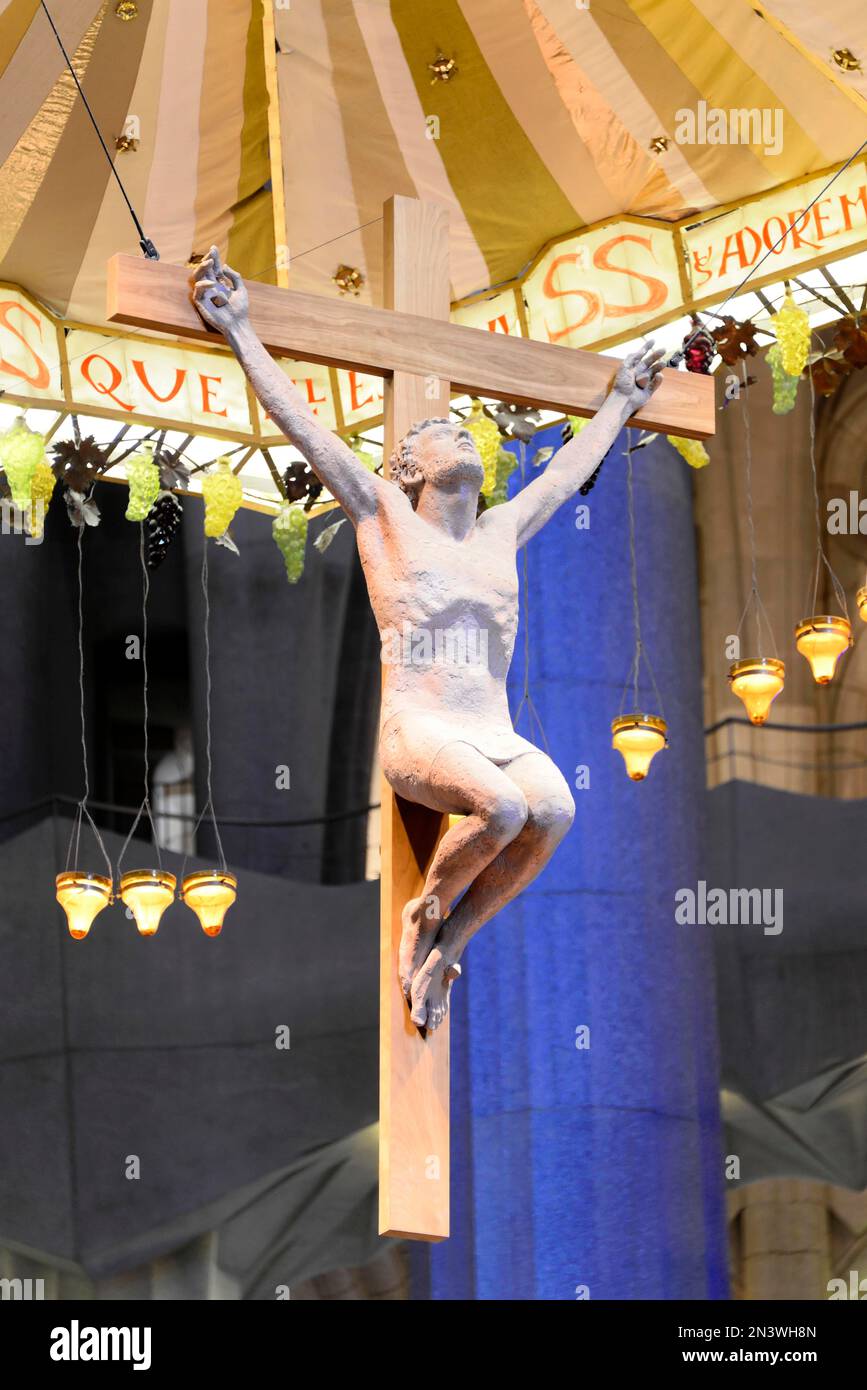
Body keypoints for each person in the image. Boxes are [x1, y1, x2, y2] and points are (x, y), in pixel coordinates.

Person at [192, 247, 665, 1031]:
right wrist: (241, 330)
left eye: (467, 431)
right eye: (447, 431)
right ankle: (428, 913)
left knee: (552, 809)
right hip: (421, 725)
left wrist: (618, 401)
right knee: (502, 809)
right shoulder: (382, 514)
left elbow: (559, 475)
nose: (468, 437)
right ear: (409, 467)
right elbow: (301, 425)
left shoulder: (500, 529)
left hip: (491, 729)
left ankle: (451, 942)